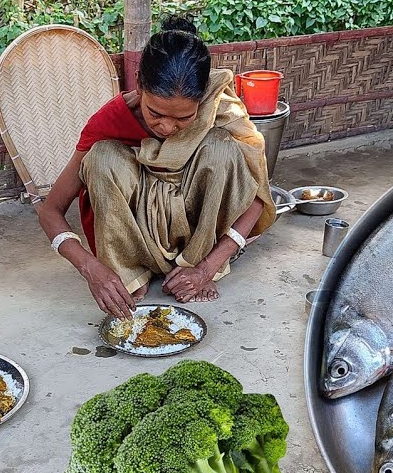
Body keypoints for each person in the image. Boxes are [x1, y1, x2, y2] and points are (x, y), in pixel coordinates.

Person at [37, 17, 277, 318]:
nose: (167, 127)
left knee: (221, 147)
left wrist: (207, 267)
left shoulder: (220, 111)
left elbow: (256, 197)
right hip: (138, 242)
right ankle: (131, 272)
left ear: (201, 99)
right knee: (102, 157)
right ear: (139, 84)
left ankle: (193, 265)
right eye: (155, 113)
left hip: (199, 247)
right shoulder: (109, 120)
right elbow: (50, 209)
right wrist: (90, 267)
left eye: (183, 119)